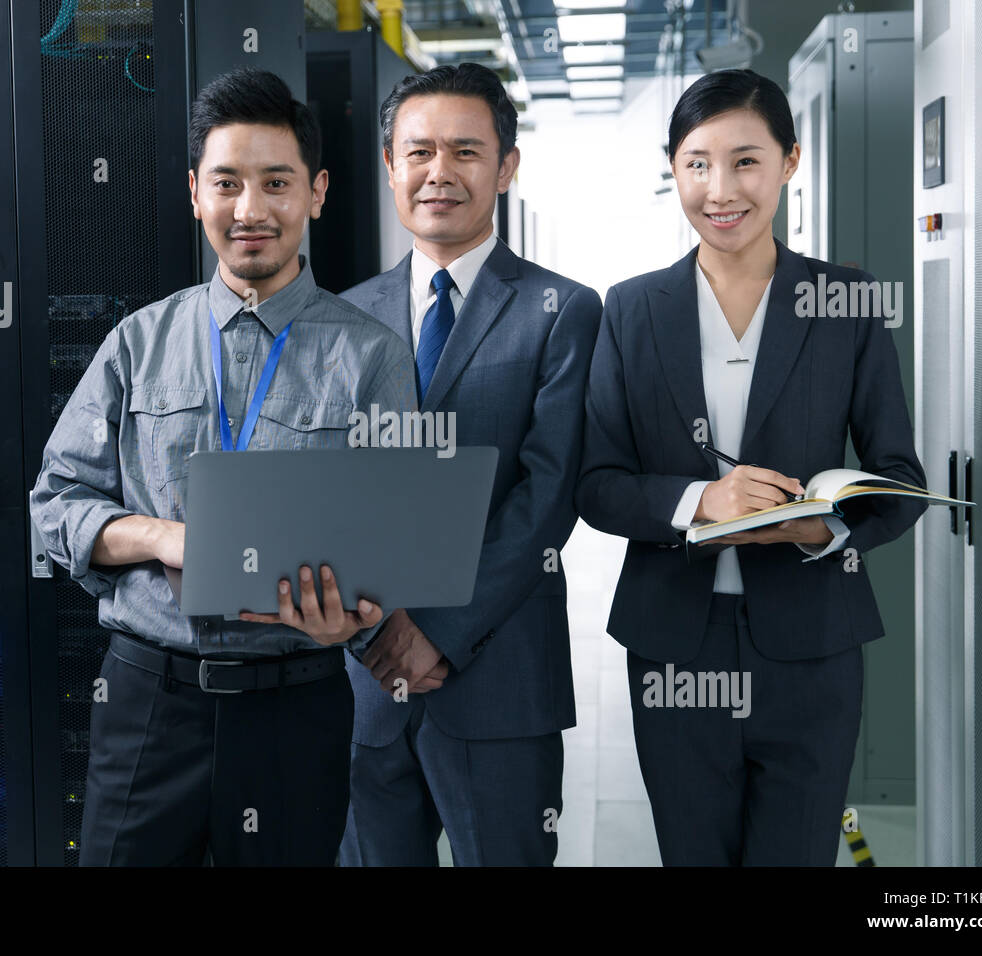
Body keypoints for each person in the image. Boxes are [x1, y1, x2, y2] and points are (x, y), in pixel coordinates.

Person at [29, 68, 417, 866]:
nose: (251, 210)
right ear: (195, 195)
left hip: (295, 707)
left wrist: (357, 618)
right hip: (147, 708)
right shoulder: (137, 343)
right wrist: (162, 538)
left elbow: (396, 535)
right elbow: (54, 502)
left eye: (276, 183)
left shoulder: (371, 357)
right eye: (227, 183)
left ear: (316, 193)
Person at [575, 68, 927, 865]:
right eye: (697, 163)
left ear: (789, 162)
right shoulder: (632, 309)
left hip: (814, 648)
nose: (720, 188)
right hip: (674, 647)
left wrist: (821, 531)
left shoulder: (847, 303)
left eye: (746, 161)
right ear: (673, 172)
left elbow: (897, 477)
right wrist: (704, 500)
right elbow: (597, 484)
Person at [336, 63, 602, 866]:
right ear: (390, 166)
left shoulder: (561, 310)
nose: (438, 173)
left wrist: (441, 631)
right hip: (366, 682)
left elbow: (549, 494)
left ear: (506, 166)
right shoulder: (344, 316)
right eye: (417, 152)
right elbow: (331, 493)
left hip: (499, 679)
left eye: (465, 151)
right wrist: (380, 632)